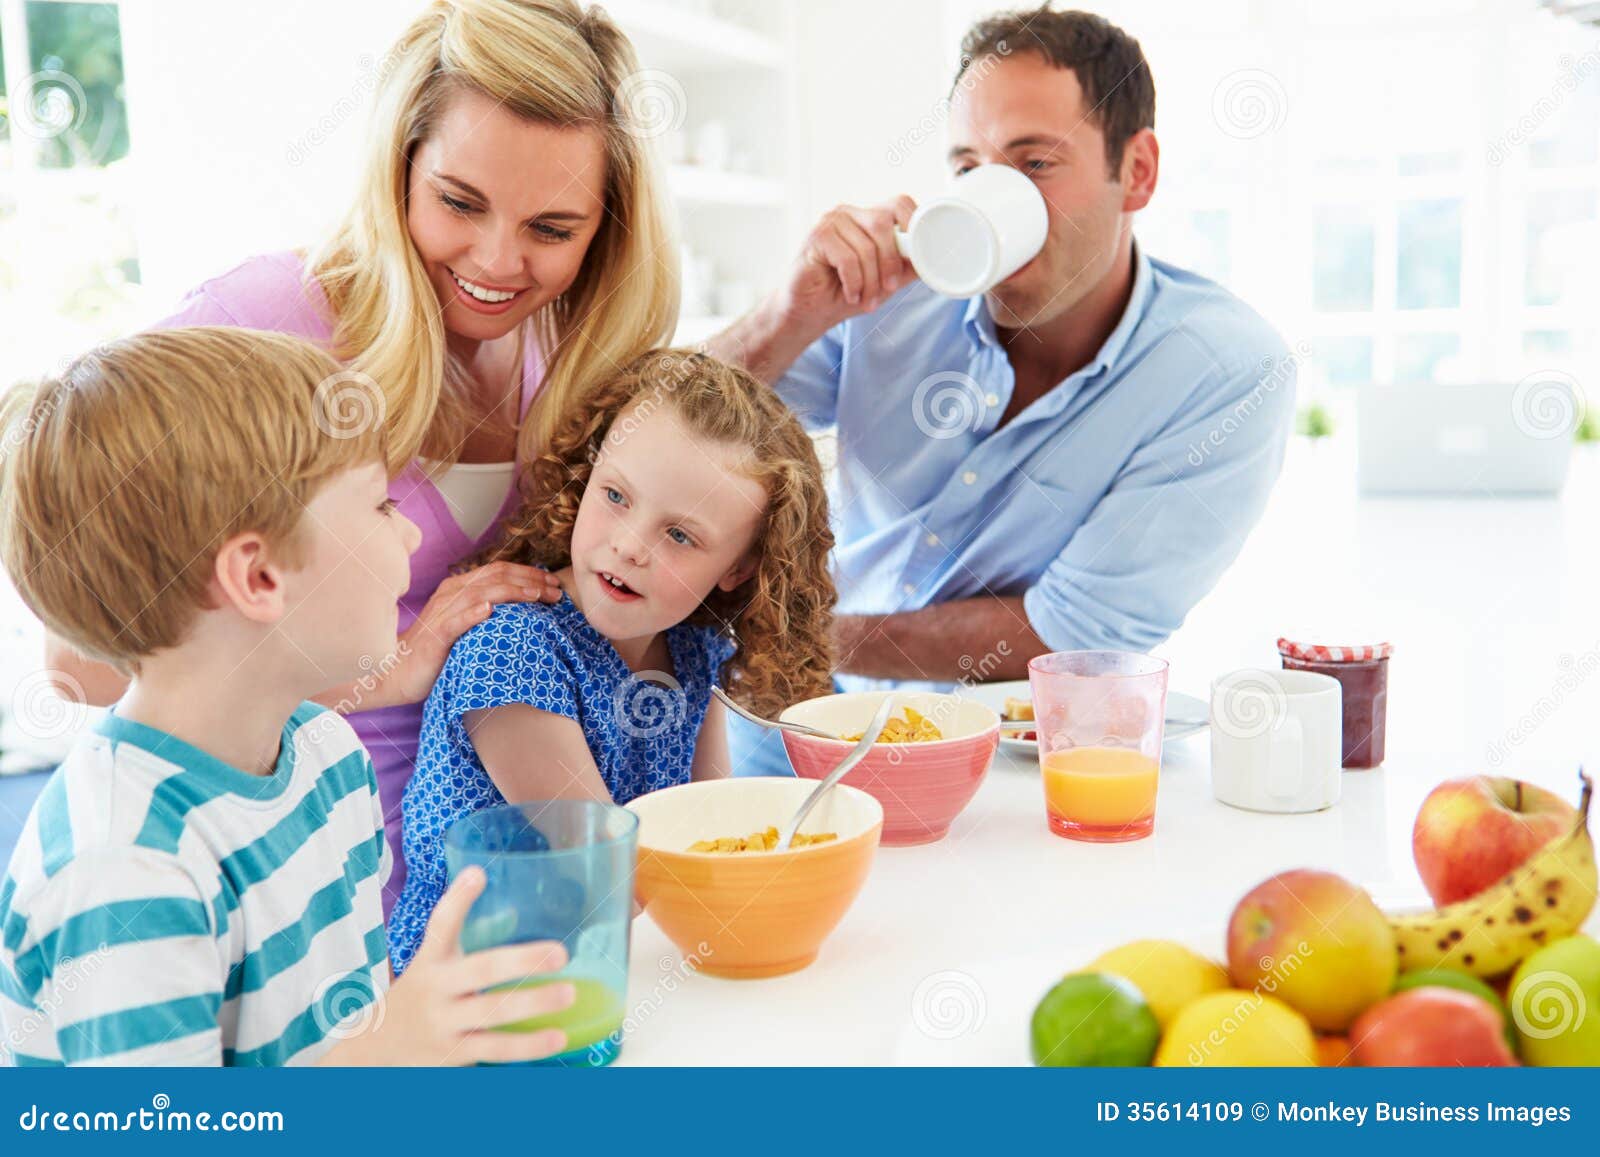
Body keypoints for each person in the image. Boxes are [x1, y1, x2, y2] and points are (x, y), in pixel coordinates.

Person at [39, 0, 680, 914]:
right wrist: (393, 668)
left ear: (605, 232)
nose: (498, 262)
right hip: (304, 907)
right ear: (398, 168)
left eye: (552, 229)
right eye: (460, 203)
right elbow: (81, 658)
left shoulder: (562, 362)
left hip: (519, 895)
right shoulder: (265, 324)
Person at [709, 6, 1296, 774]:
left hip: (1008, 756)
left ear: (1138, 172)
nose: (994, 196)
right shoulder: (891, 295)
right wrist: (788, 313)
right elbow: (667, 427)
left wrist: (797, 634)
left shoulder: (1223, 372)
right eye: (969, 169)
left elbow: (1070, 631)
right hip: (788, 720)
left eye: (1035, 164)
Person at [0, 329, 580, 1066]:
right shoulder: (123, 867)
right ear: (259, 577)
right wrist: (387, 1054)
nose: (407, 535)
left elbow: (340, 1026)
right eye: (379, 504)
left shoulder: (328, 756)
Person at [387, 350, 836, 972]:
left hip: (617, 963)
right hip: (473, 996)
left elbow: (716, 827)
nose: (629, 545)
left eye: (680, 536)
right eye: (617, 495)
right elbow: (606, 876)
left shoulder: (693, 648)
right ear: (589, 474)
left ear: (738, 570)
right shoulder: (509, 654)